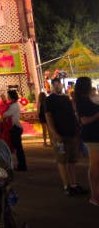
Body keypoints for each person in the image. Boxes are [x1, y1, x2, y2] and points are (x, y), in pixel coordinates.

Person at [45, 78, 87, 196]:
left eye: (59, 84)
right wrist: (55, 134)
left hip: (71, 133)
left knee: (72, 161)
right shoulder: (49, 100)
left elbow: (72, 115)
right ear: (52, 86)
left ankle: (74, 184)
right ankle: (66, 186)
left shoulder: (66, 99)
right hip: (59, 135)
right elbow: (48, 117)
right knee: (62, 161)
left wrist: (77, 131)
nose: (58, 86)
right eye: (55, 84)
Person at [73, 76, 99, 206]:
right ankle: (95, 196)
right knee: (94, 165)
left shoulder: (86, 99)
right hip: (92, 136)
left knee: (96, 166)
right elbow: (84, 121)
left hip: (94, 135)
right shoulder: (82, 102)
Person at [3, 90, 27, 171]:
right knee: (18, 148)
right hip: (16, 127)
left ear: (11, 96)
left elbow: (6, 114)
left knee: (18, 148)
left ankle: (22, 165)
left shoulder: (14, 105)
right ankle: (21, 164)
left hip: (15, 128)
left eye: (8, 95)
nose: (7, 97)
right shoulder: (15, 104)